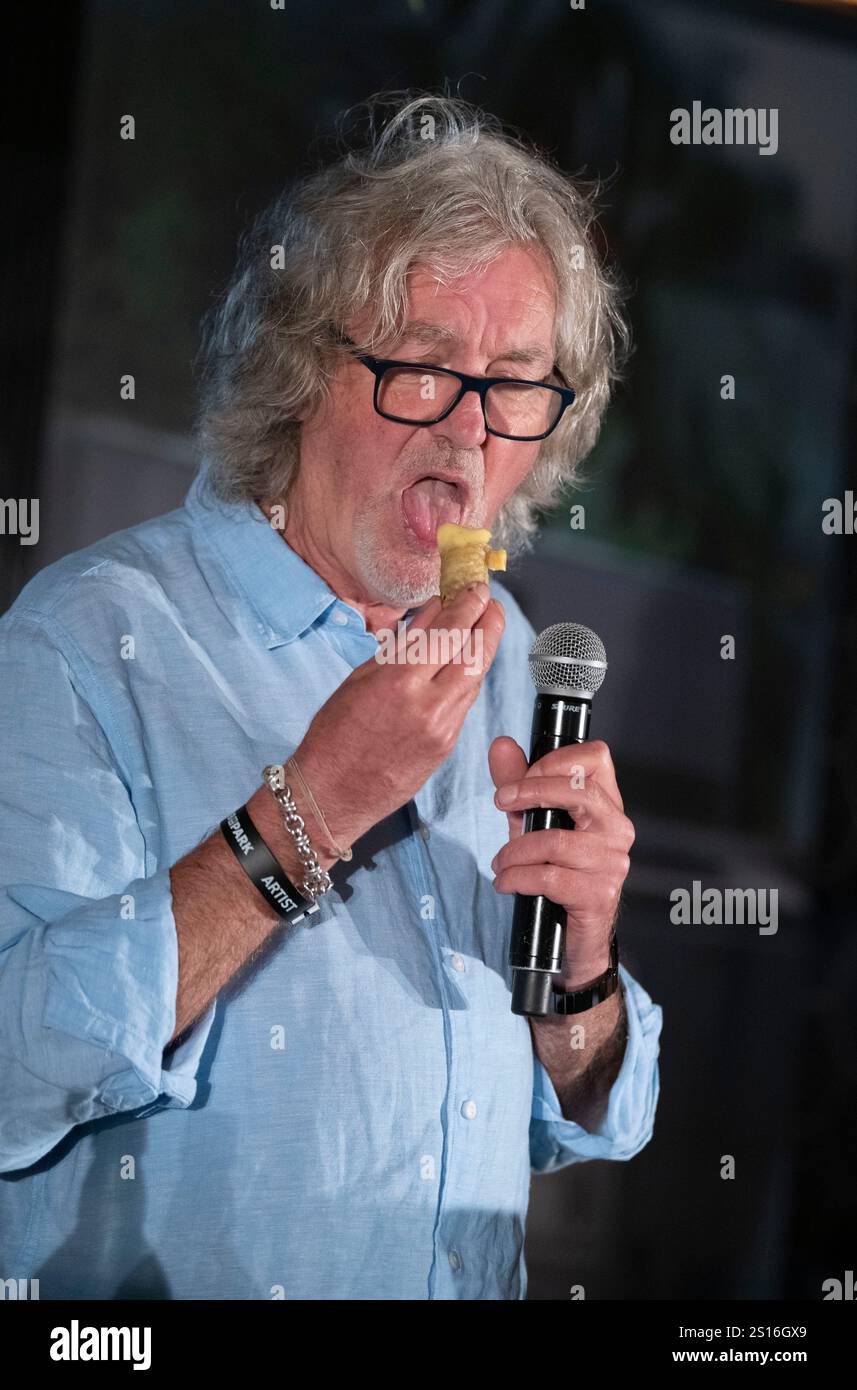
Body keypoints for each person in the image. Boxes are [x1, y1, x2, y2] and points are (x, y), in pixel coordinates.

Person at [0, 92, 661, 1300]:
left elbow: (581, 1112)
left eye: (515, 383)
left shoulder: (508, 651)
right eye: (422, 367)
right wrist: (306, 809)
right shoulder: (89, 638)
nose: (468, 429)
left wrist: (581, 976)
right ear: (299, 370)